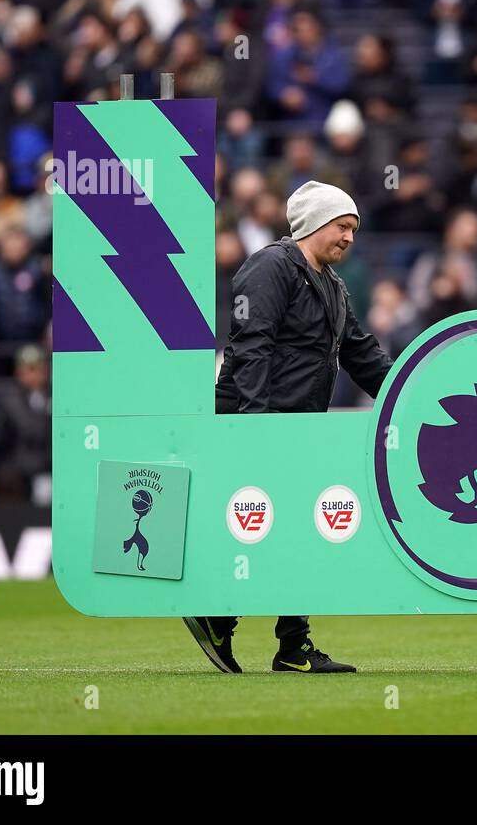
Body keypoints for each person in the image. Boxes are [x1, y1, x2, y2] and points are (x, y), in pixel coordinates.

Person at [185, 181, 393, 675]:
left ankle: (252, 630)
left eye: (354, 230)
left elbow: (363, 356)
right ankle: (255, 630)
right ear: (315, 224)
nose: (349, 238)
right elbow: (250, 346)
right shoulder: (271, 266)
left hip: (298, 427)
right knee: (272, 527)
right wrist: (256, 424)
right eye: (342, 226)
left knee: (293, 530)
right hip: (256, 422)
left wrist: (411, 393)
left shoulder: (333, 286)